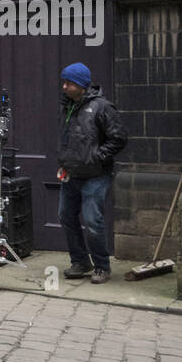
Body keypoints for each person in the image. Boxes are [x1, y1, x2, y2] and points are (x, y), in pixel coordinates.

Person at [57, 62, 128, 284]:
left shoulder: (102, 107)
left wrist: (96, 156)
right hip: (71, 173)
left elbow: (119, 139)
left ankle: (101, 266)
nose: (64, 86)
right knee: (65, 215)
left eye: (69, 82)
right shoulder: (68, 106)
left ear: (81, 84)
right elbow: (69, 140)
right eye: (64, 82)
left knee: (92, 220)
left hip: (96, 175)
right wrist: (65, 162)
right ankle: (80, 262)